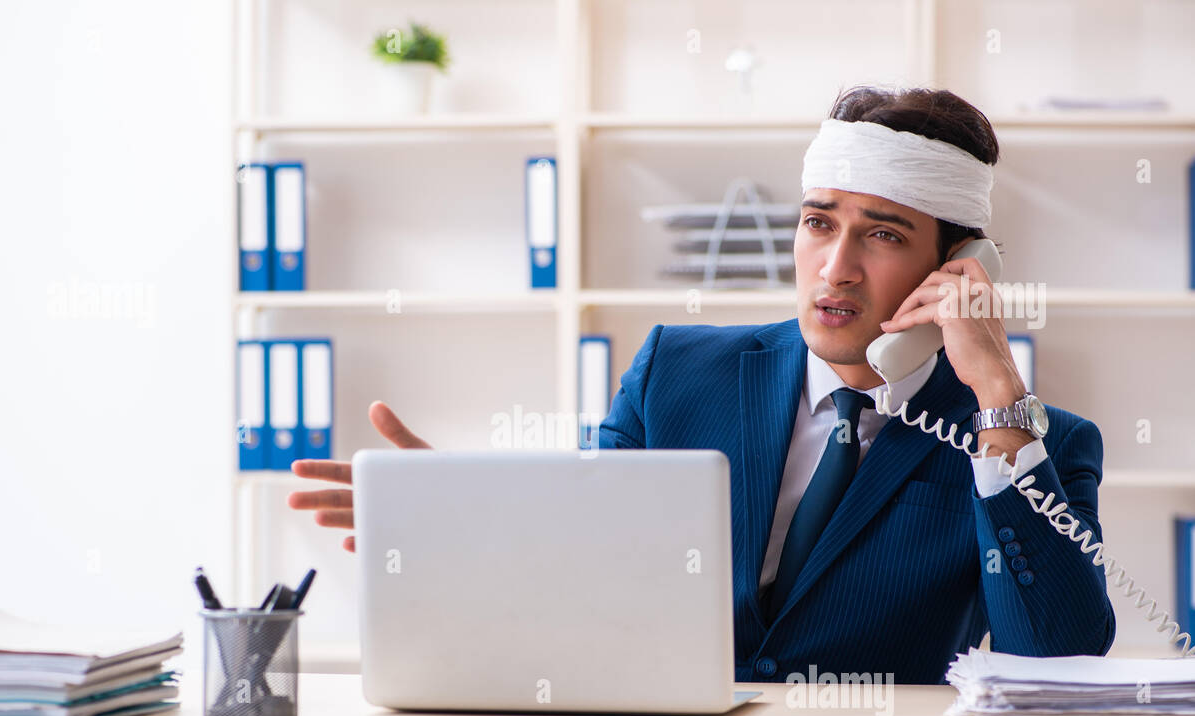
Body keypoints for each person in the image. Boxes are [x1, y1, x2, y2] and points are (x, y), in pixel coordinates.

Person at [288, 85, 1116, 684]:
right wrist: (457, 520)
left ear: (957, 268)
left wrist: (999, 397)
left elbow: (1060, 655)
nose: (836, 266)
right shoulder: (674, 372)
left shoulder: (1043, 443)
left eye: (883, 234)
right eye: (819, 221)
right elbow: (583, 559)